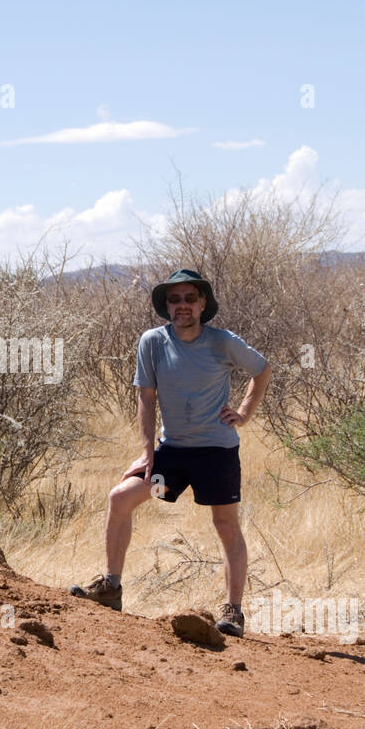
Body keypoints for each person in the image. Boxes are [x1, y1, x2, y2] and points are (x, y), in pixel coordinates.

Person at [69, 269, 271, 637]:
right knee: (121, 498)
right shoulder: (153, 342)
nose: (182, 306)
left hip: (216, 453)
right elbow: (146, 399)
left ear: (203, 304)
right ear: (166, 305)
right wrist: (148, 452)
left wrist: (243, 413)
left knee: (225, 524)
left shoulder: (222, 342)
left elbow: (262, 369)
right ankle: (111, 587)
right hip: (172, 455)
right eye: (174, 300)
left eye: (189, 299)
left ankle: (233, 611)